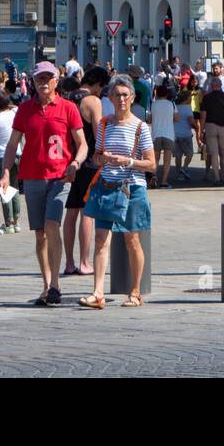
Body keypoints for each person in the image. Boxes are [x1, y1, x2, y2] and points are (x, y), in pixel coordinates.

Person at [0, 61, 87, 306]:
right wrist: (6, 173)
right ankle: (46, 285)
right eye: (39, 79)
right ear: (33, 82)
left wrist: (76, 164)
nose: (44, 83)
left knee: (51, 225)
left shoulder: (68, 108)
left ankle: (56, 284)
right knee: (40, 234)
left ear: (57, 81)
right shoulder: (25, 110)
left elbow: (83, 144)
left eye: (48, 78)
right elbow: (12, 145)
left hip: (60, 177)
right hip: (32, 176)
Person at [78, 75, 155, 309]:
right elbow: (97, 155)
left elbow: (151, 164)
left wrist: (128, 161)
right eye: (116, 95)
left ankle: (135, 291)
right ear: (109, 98)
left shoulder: (141, 127)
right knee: (101, 239)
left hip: (132, 188)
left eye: (125, 95)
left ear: (131, 98)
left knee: (132, 240)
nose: (121, 99)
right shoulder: (103, 124)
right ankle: (98, 292)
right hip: (107, 186)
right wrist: (103, 158)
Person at [63, 66, 106, 274]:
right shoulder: (93, 101)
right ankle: (84, 262)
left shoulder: (67, 98)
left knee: (70, 213)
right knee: (87, 212)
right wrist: (104, 156)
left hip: (68, 161)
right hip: (88, 161)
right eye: (102, 87)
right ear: (97, 84)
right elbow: (98, 133)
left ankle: (69, 263)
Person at [0, 91, 23, 232]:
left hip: (1, 157)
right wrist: (8, 104)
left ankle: (9, 223)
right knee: (15, 188)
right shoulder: (15, 113)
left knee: (4, 190)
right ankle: (17, 222)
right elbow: (16, 106)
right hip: (17, 154)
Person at [200, 77, 224, 185]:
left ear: (211, 86)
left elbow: (203, 116)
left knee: (214, 153)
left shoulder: (206, 98)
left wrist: (201, 131)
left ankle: (216, 177)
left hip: (210, 126)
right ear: (221, 86)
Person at [148, 82, 177, 188]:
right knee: (167, 160)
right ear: (166, 94)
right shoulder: (171, 104)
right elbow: (176, 118)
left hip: (156, 134)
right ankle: (164, 182)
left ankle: (154, 176)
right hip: (168, 134)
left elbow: (149, 120)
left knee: (155, 159)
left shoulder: (154, 104)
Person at [173, 78, 198, 180]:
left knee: (178, 155)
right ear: (186, 98)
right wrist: (196, 127)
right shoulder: (187, 107)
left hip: (176, 134)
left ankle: (179, 173)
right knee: (189, 154)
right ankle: (185, 167)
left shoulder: (175, 106)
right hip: (186, 134)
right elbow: (191, 120)